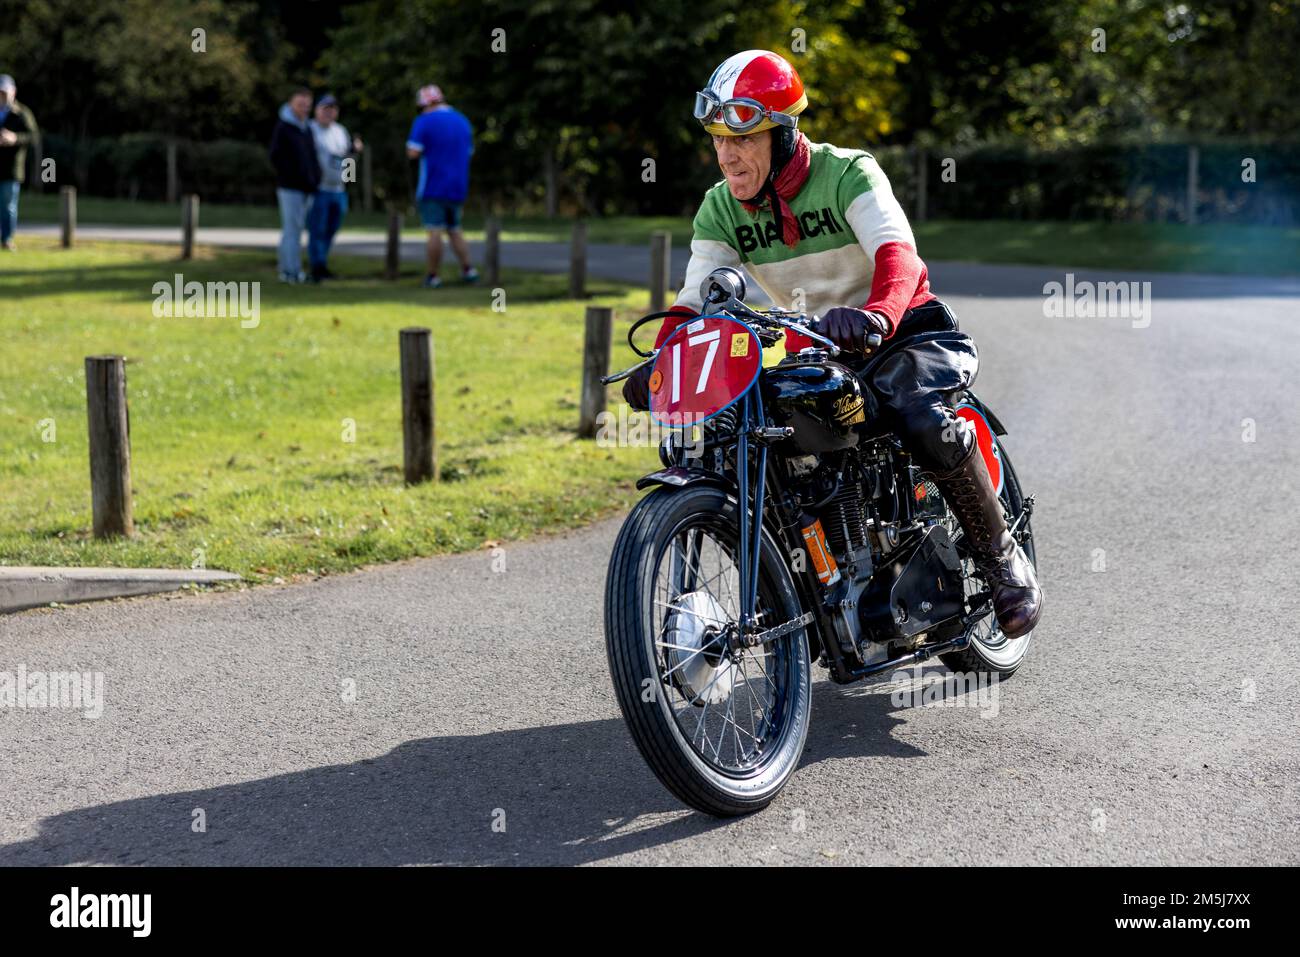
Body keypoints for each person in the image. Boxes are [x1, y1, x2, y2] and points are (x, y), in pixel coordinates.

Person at [623, 50, 1041, 639]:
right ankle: (815, 590)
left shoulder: (849, 172)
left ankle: (1002, 560)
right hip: (820, 349)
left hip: (903, 329)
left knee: (922, 419)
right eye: (716, 139)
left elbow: (897, 254)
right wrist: (662, 361)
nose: (725, 155)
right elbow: (694, 301)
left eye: (740, 139)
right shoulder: (721, 206)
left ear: (783, 131)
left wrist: (876, 315)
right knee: (764, 442)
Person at [406, 84, 478, 288]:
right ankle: (468, 269)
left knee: (434, 231)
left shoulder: (425, 121)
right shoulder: (462, 121)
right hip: (458, 186)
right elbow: (469, 152)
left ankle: (433, 275)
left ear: (426, 104)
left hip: (432, 185)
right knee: (455, 229)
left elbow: (412, 152)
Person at [306, 93, 362, 282]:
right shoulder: (310, 129)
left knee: (332, 228)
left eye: (333, 109)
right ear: (317, 110)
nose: (329, 112)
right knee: (317, 228)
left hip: (338, 190)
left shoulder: (340, 131)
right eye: (325, 108)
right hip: (319, 188)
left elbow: (348, 158)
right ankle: (317, 266)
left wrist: (349, 181)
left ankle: (322, 263)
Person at [268, 87, 320, 283]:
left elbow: (314, 157)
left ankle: (291, 269)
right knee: (292, 230)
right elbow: (276, 156)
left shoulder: (307, 127)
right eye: (300, 104)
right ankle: (291, 271)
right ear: (291, 104)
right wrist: (293, 177)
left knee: (297, 230)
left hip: (309, 188)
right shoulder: (285, 127)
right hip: (291, 187)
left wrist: (314, 178)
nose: (304, 109)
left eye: (307, 105)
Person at [0, 74, 39, 252]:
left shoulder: (22, 113)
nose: (2, 96)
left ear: (13, 92)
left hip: (11, 169)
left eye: (4, 92)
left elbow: (34, 137)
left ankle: (7, 239)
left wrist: (15, 138)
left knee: (8, 205)